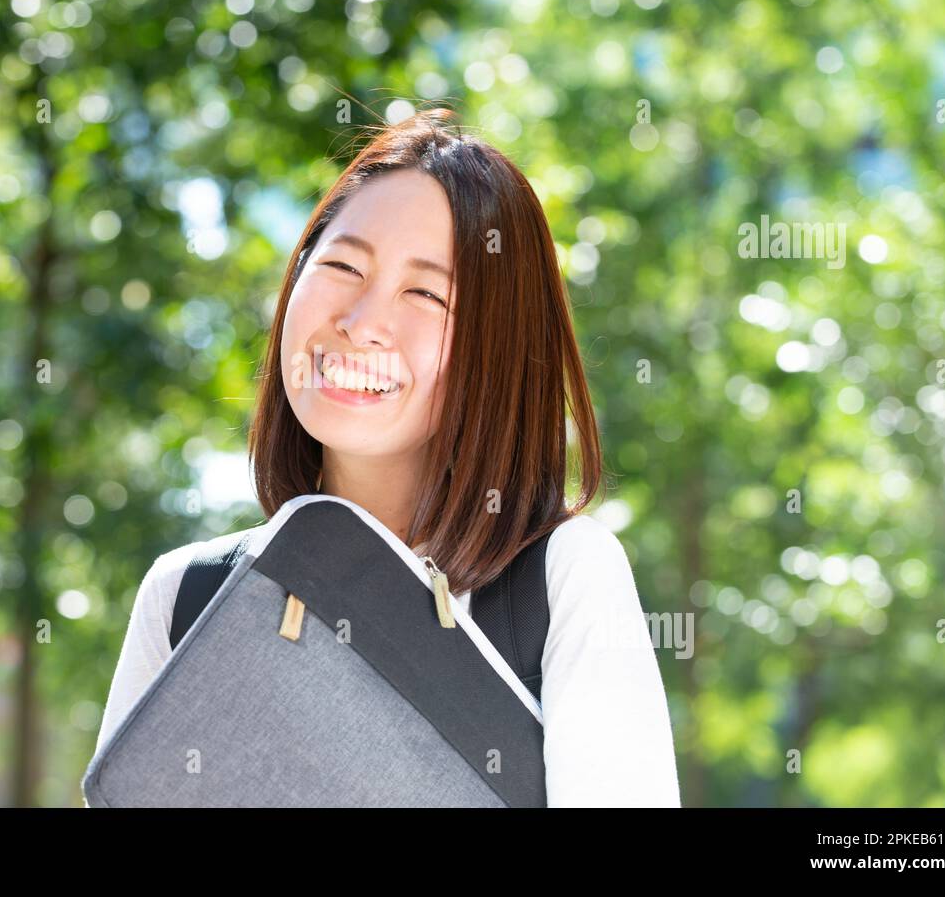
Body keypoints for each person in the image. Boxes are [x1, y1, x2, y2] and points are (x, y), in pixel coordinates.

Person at [95, 108, 680, 806]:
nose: (362, 321)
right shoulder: (186, 598)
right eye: (343, 265)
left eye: (426, 293)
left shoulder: (559, 582)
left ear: (495, 347)